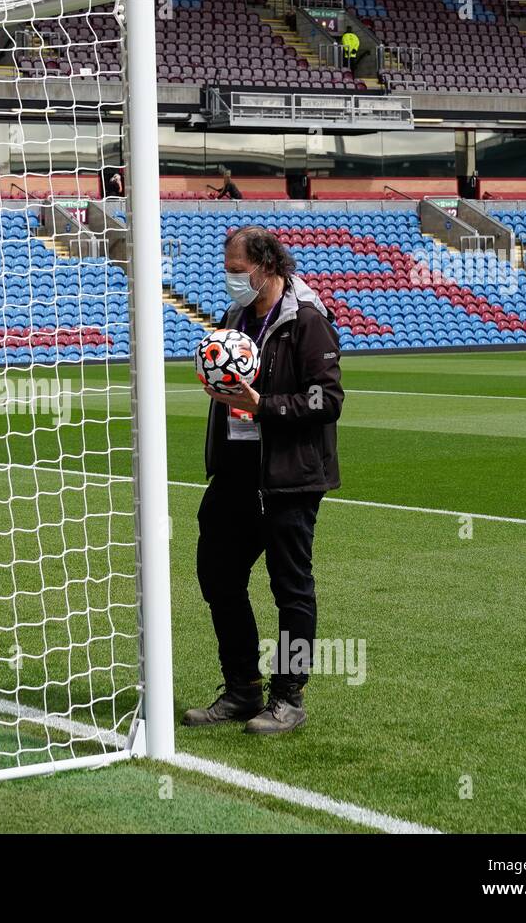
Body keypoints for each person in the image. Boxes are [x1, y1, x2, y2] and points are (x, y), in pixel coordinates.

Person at [185, 225, 343, 735]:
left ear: (268, 266)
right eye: (228, 270)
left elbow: (328, 400)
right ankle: (241, 689)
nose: (231, 279)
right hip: (236, 473)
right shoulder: (234, 318)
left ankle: (289, 698)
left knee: (291, 588)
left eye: (238, 271)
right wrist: (216, 382)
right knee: (217, 574)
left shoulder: (308, 321)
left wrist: (263, 405)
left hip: (288, 478)